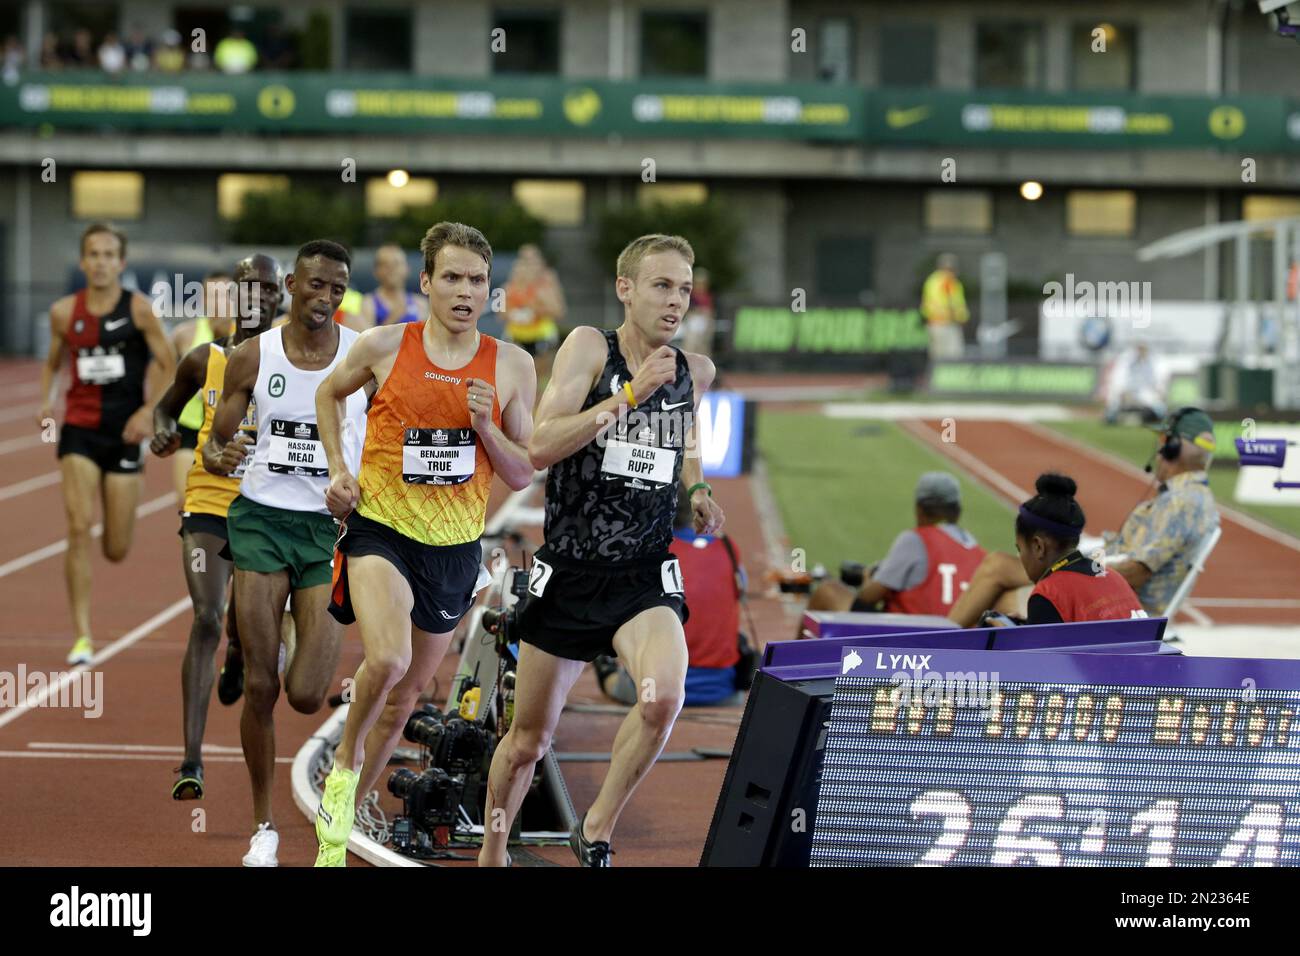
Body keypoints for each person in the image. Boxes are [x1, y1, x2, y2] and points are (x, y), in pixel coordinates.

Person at [479, 233, 725, 868]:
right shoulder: (591, 346)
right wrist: (629, 394)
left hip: (642, 575)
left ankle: (595, 828)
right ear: (626, 289)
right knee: (528, 741)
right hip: (570, 569)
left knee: (662, 697)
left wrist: (695, 486)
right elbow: (539, 447)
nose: (676, 301)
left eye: (683, 287)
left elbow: (685, 434)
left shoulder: (695, 370)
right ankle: (494, 851)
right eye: (661, 285)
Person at [313, 223, 537, 867]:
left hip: (454, 549)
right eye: (452, 278)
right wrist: (337, 468)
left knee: (409, 695)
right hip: (380, 531)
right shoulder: (385, 346)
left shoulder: (512, 365)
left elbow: (523, 471)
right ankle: (345, 768)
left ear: (490, 290)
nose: (465, 291)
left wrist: (486, 426)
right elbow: (330, 393)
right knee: (385, 660)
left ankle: (347, 815)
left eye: (476, 281)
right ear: (427, 284)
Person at [203, 239, 368, 866]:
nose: (326, 297)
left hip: (328, 531)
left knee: (304, 693)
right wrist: (220, 454)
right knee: (263, 687)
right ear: (293, 285)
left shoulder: (362, 356)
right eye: (317, 284)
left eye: (338, 288)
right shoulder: (253, 354)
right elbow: (220, 438)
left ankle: (262, 632)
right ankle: (263, 827)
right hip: (262, 522)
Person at [150, 255, 283, 800]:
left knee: (254, 639)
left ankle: (238, 646)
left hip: (268, 508)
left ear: (281, 298)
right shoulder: (203, 359)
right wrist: (162, 434)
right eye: (247, 287)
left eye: (267, 289)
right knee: (206, 613)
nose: (256, 297)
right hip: (207, 504)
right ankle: (191, 760)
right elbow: (164, 411)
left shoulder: (293, 362)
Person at [38, 223, 175, 665]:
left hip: (125, 433)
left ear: (121, 262)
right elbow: (52, 363)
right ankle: (82, 636)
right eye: (93, 254)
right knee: (77, 528)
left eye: (108, 254)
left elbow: (170, 365)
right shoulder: (64, 312)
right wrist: (46, 401)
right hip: (79, 431)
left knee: (116, 548)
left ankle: (110, 537)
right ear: (83, 262)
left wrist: (147, 412)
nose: (100, 262)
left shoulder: (138, 311)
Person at [947, 409, 1220, 626]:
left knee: (998, 572)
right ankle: (943, 645)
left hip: (1109, 599)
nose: (1158, 451)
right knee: (1001, 596)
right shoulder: (1189, 498)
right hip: (1105, 587)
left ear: (1173, 447)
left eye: (1162, 442)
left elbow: (1137, 571)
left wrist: (1079, 566)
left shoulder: (1181, 502)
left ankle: (934, 649)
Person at [595, 486, 751, 707]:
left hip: (652, 693)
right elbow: (741, 592)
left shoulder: (647, 552)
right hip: (722, 691)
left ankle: (608, 671)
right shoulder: (728, 547)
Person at [805, 472, 985, 618]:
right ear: (958, 511)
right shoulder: (979, 552)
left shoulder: (916, 539)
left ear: (919, 509)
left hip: (909, 642)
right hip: (960, 642)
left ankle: (788, 661)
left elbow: (868, 598)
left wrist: (869, 578)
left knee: (827, 591)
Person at [1002, 474, 1145, 626]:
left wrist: (1004, 635)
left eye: (1020, 549)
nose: (1020, 557)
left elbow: (1039, 649)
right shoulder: (1114, 577)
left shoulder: (1048, 594)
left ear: (1038, 546)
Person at [168, 271, 237, 502]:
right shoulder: (184, 335)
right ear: (203, 299)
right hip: (191, 429)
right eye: (212, 295)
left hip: (232, 434)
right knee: (187, 505)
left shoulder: (250, 338)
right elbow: (169, 381)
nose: (218, 302)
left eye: (224, 295)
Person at [502, 243, 565, 382]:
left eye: (532, 261)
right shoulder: (509, 285)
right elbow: (500, 313)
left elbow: (559, 311)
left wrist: (535, 310)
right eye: (524, 260)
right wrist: (513, 314)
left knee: (538, 379)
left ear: (540, 262)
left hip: (541, 336)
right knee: (517, 378)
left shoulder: (547, 283)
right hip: (516, 336)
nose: (528, 266)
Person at [358, 243, 427, 328]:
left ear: (407, 269)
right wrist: (393, 319)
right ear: (376, 271)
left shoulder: (420, 304)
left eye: (396, 263)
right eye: (385, 264)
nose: (391, 269)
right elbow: (364, 339)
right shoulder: (368, 303)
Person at [920, 253, 967, 362]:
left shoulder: (953, 283)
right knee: (942, 357)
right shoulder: (938, 282)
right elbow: (931, 305)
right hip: (939, 324)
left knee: (952, 356)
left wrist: (961, 317)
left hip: (951, 324)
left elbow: (959, 305)